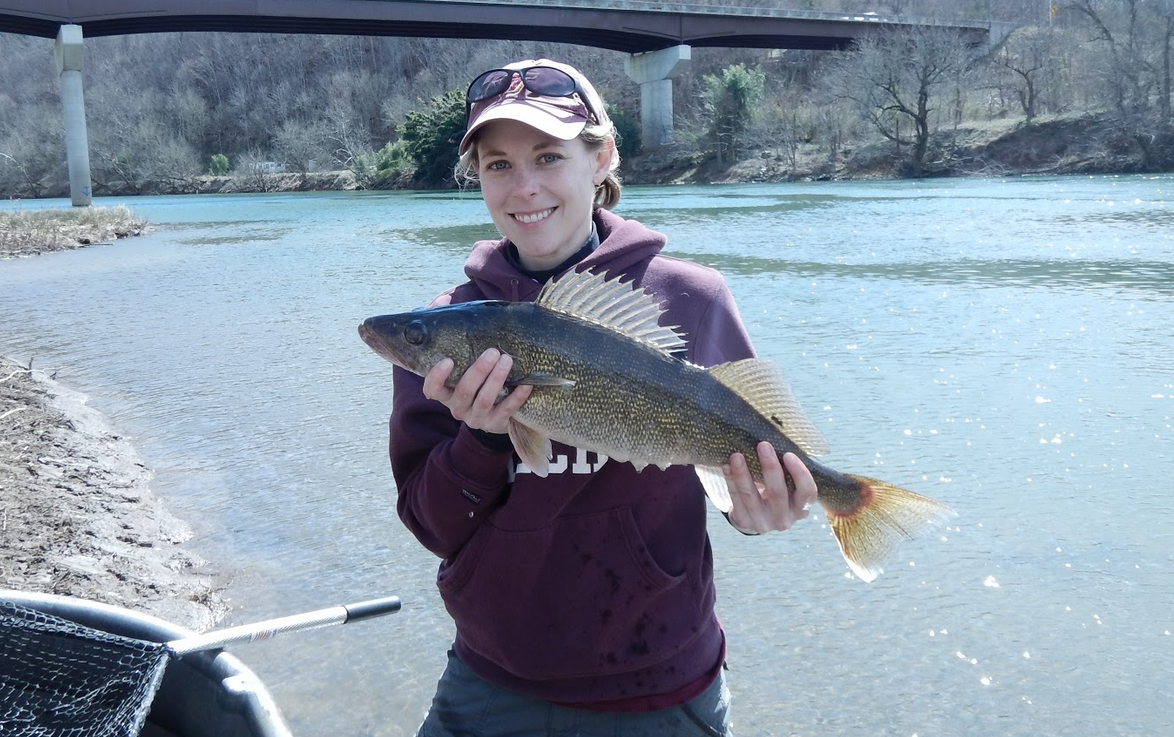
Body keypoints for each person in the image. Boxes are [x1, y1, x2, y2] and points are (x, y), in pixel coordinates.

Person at [387, 59, 819, 737]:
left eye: (548, 156)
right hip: (492, 677)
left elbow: (734, 483)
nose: (524, 187)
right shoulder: (442, 329)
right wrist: (483, 439)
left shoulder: (690, 298)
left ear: (602, 158)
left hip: (662, 684)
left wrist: (759, 509)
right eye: (498, 164)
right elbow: (433, 527)